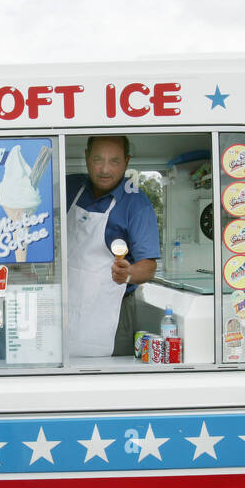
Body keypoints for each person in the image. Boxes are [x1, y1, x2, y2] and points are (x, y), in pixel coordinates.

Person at [65, 135, 160, 357]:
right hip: (66, 304)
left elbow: (148, 267)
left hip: (112, 310)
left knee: (110, 378)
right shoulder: (71, 186)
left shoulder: (137, 203)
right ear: (86, 157)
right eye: (98, 160)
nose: (105, 169)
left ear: (126, 161)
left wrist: (128, 273)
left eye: (114, 161)